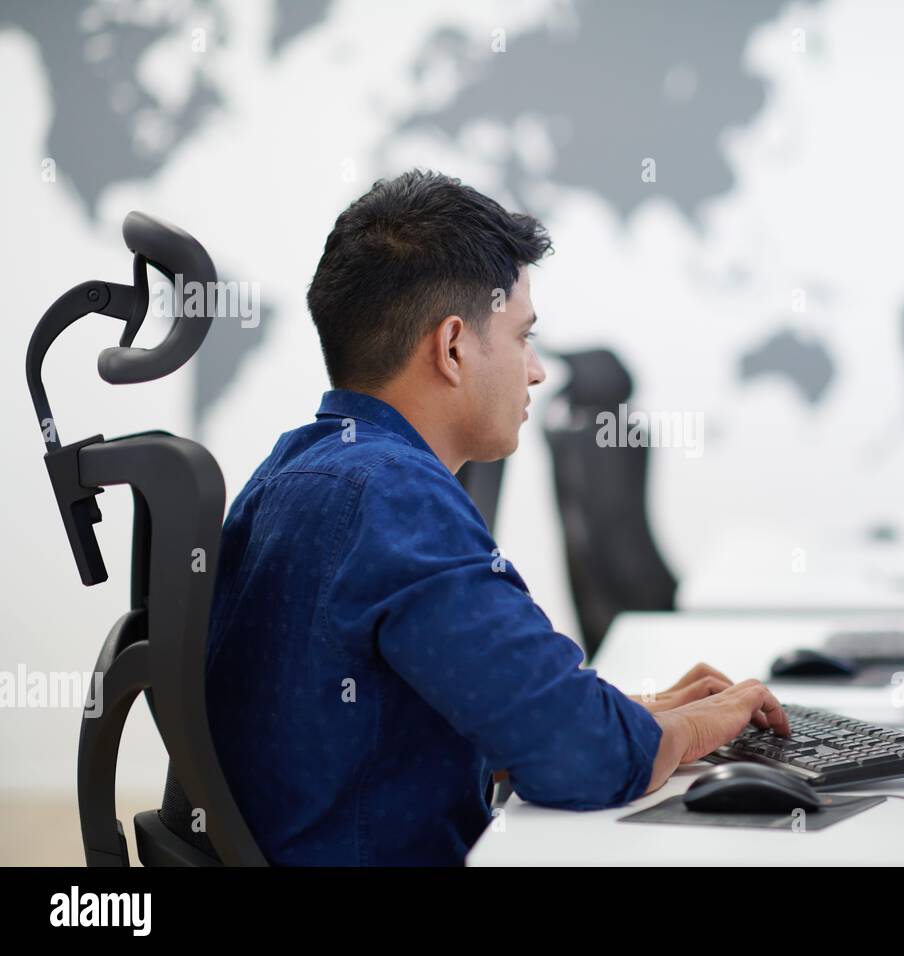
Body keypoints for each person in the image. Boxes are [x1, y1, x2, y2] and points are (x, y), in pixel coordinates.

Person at [204, 170, 789, 865]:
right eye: (522, 337)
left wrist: (640, 712)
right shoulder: (395, 499)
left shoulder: (298, 469)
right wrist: (704, 726)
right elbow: (586, 761)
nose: (537, 371)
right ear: (453, 347)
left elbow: (427, 717)